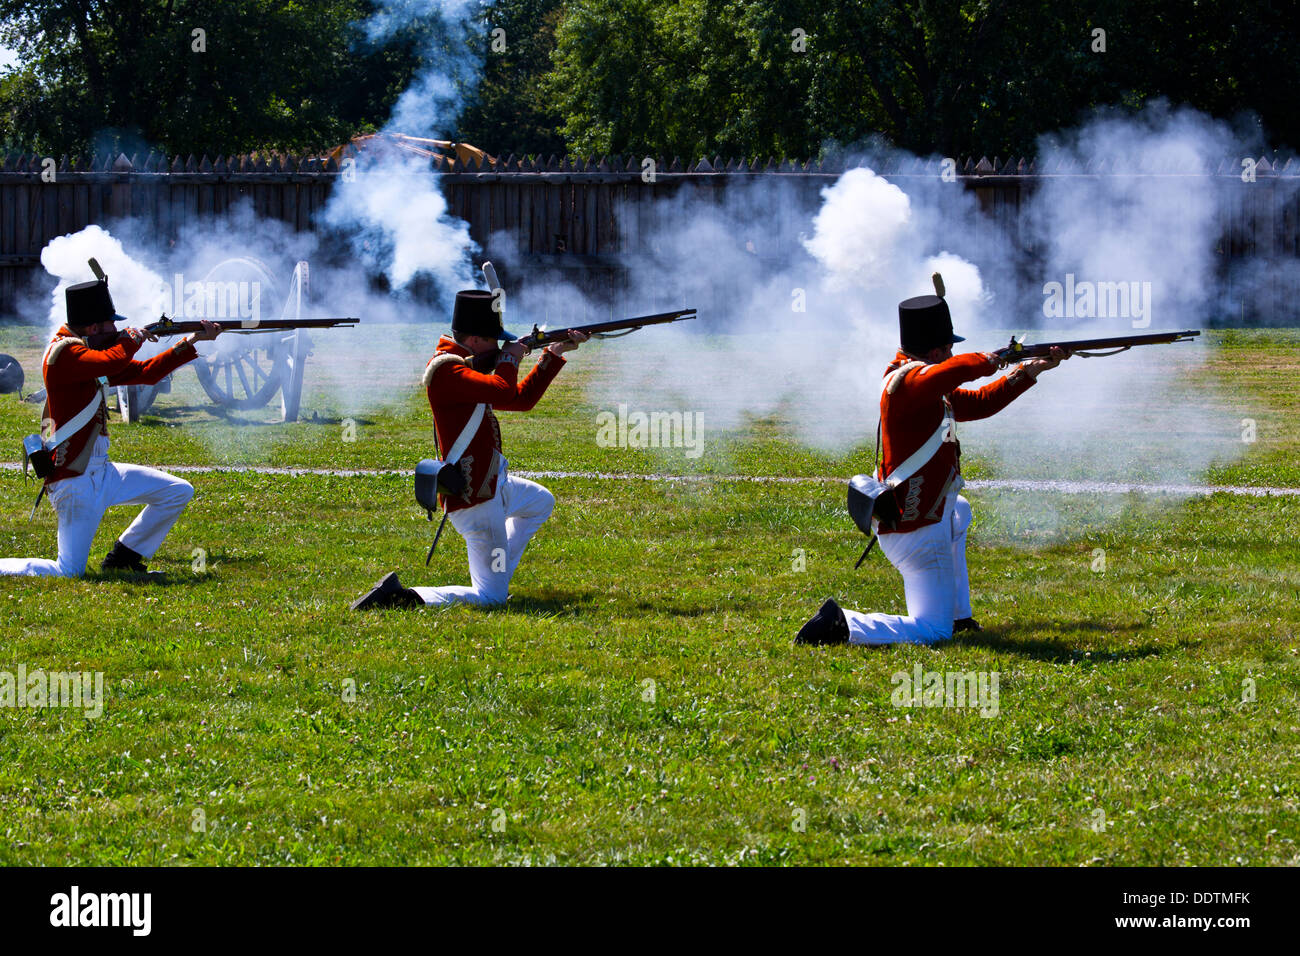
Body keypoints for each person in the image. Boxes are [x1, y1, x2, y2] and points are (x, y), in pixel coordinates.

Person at [796, 292, 1068, 646]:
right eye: (948, 349)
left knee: (961, 511)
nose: (953, 354)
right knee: (931, 631)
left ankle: (960, 616)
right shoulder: (908, 384)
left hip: (922, 514)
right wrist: (995, 357)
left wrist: (1029, 369)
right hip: (916, 528)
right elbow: (958, 370)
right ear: (937, 353)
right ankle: (845, 624)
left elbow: (982, 403)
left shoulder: (921, 383)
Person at [353, 290, 587, 609]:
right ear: (476, 340)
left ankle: (498, 569)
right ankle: (404, 597)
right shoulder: (448, 372)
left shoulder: (465, 368)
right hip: (475, 498)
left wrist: (553, 353)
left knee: (540, 502)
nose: (500, 347)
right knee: (490, 598)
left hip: (492, 485)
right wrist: (510, 358)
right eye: (495, 341)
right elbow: (505, 391)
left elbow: (520, 400)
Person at [0, 275, 221, 577]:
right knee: (68, 571)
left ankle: (124, 558)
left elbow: (145, 373)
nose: (115, 330)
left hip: (101, 471)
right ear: (92, 328)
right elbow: (109, 361)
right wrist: (131, 339)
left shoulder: (88, 354)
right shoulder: (65, 353)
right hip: (74, 481)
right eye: (109, 325)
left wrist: (192, 340)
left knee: (177, 491)